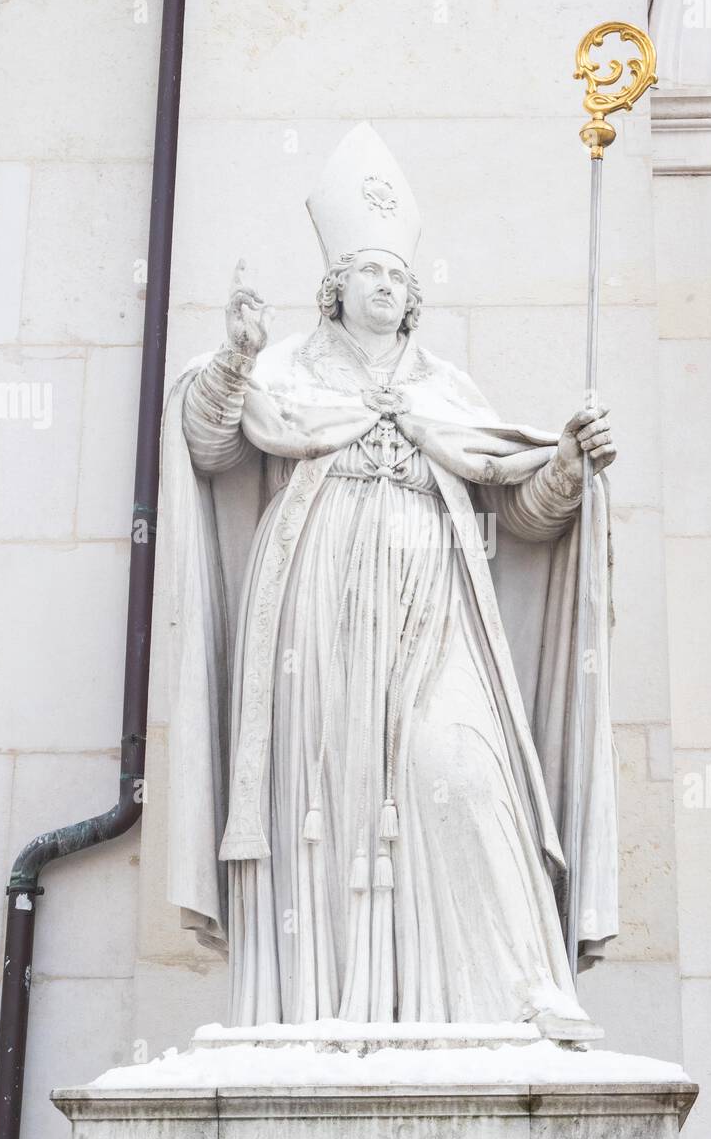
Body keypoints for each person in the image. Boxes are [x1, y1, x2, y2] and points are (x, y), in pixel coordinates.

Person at [160, 124, 618, 1038]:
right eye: (368, 270)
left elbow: (521, 514)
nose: (385, 284)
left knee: (464, 767)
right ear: (334, 287)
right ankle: (315, 1010)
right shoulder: (281, 371)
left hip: (439, 613)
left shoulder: (447, 390)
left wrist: (567, 465)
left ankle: (519, 987)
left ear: (413, 298)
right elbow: (210, 445)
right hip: (316, 618)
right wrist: (236, 356)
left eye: (398, 276)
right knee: (326, 797)